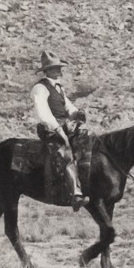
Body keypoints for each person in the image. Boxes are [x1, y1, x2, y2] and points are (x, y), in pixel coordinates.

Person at [31, 51, 88, 210]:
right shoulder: (40, 88)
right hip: (50, 129)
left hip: (64, 126)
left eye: (59, 68)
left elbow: (68, 107)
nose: (59, 72)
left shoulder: (58, 87)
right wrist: (58, 129)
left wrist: (77, 113)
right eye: (55, 69)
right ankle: (75, 194)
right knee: (66, 153)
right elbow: (43, 113)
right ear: (47, 71)